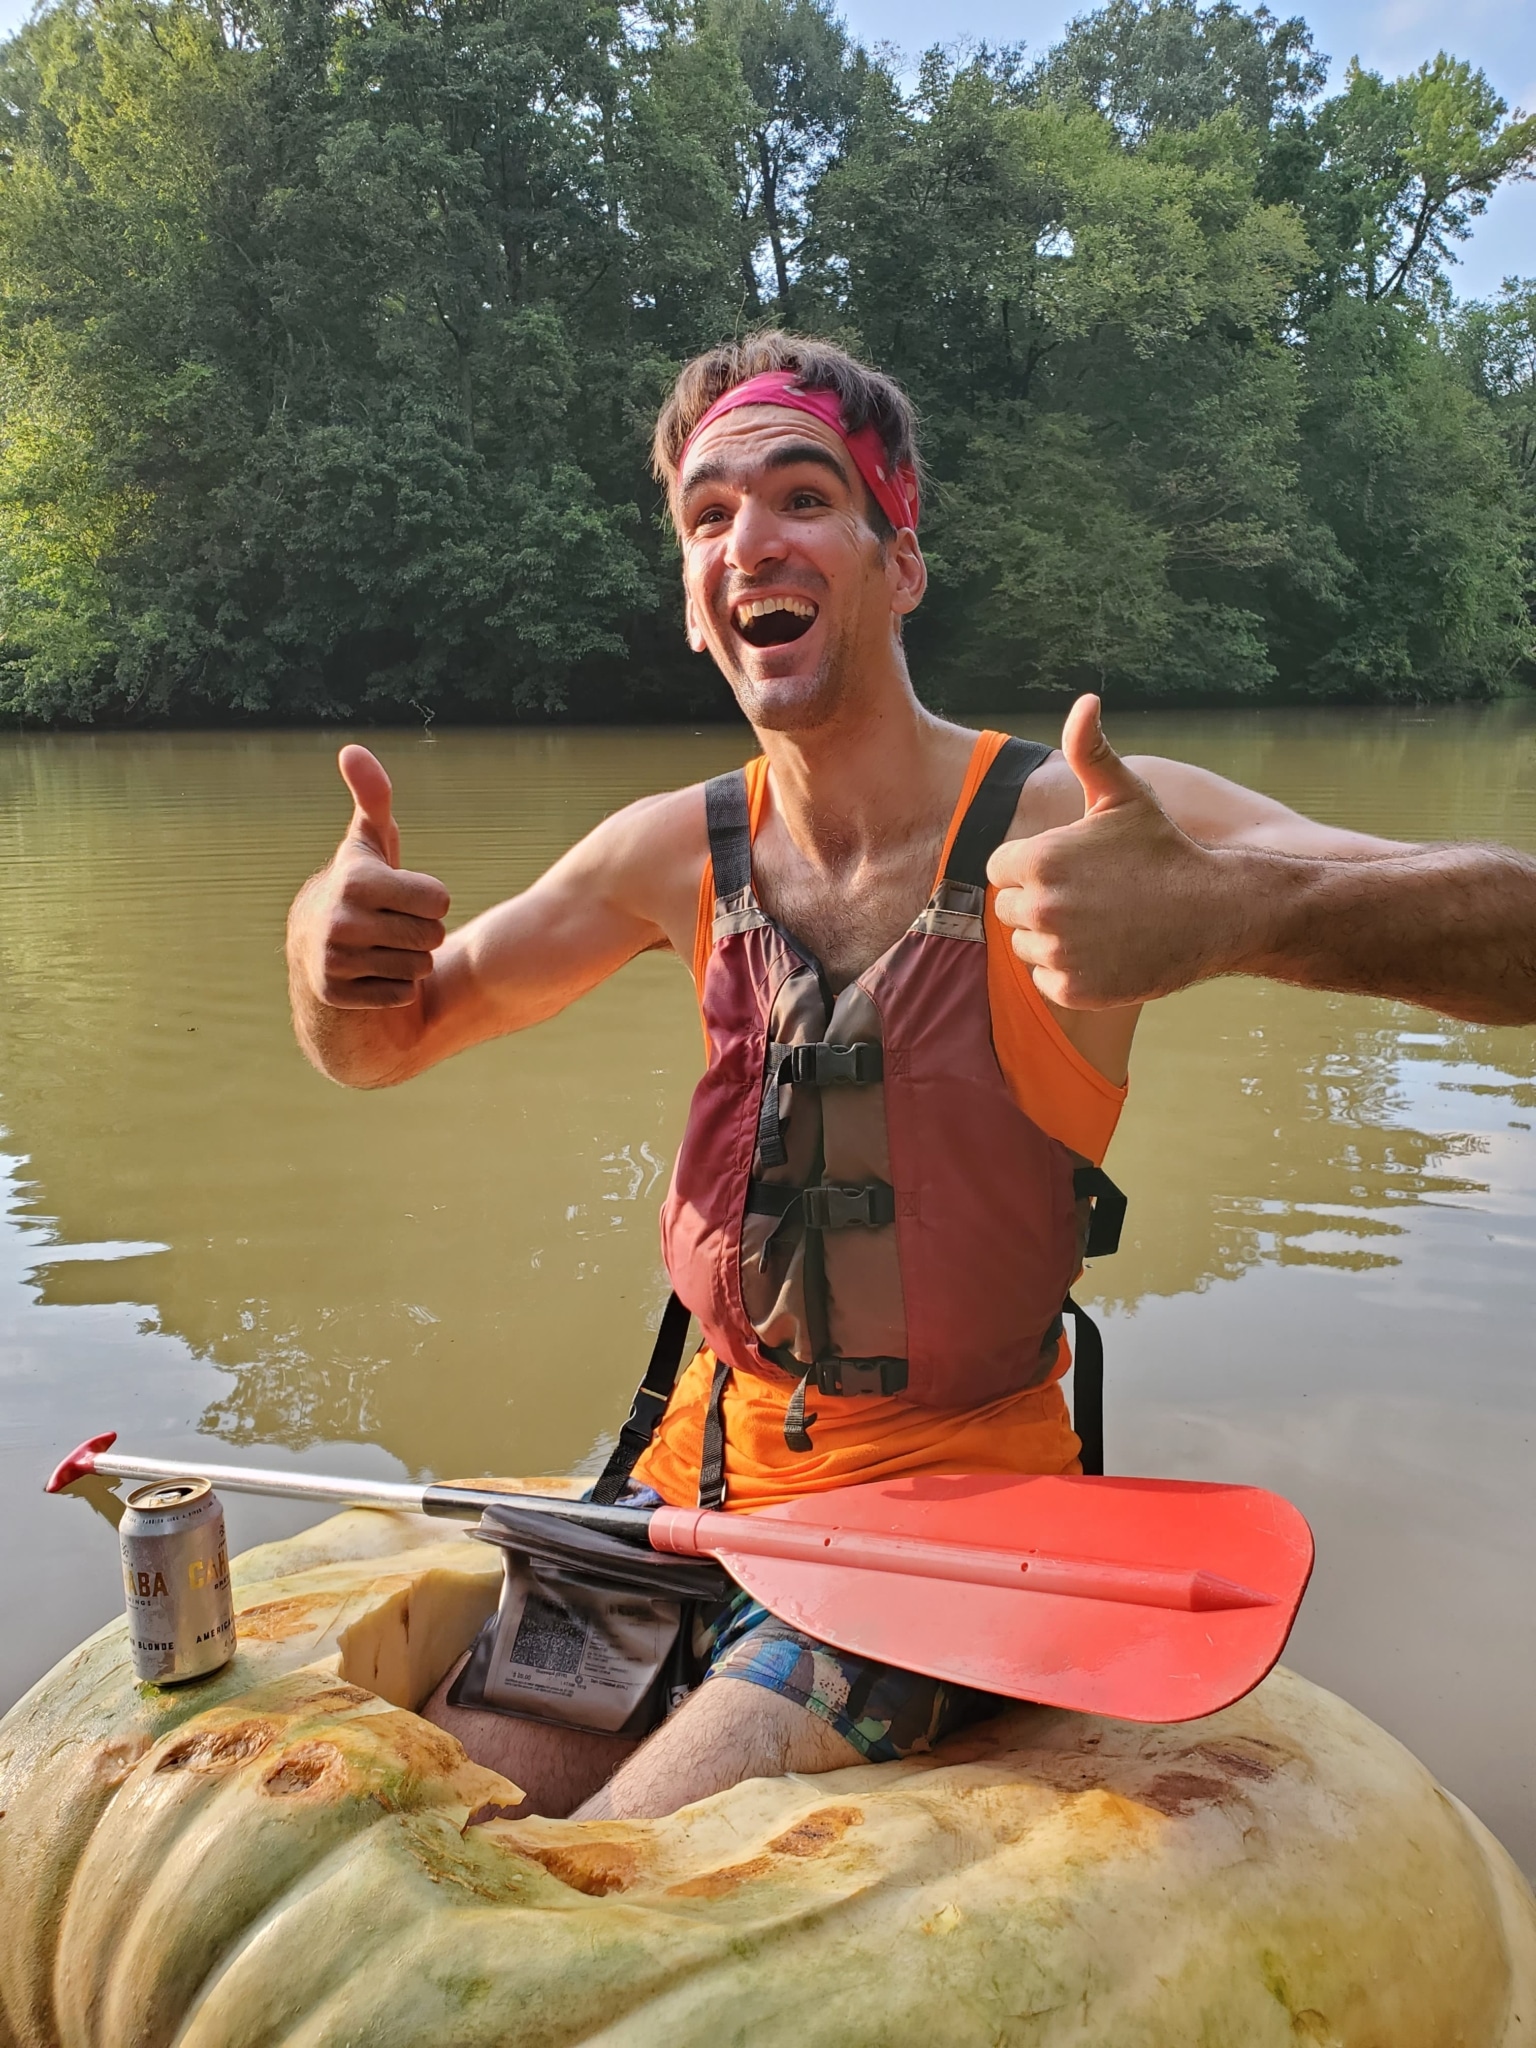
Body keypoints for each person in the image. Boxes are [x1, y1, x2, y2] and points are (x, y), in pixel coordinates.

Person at [286, 332, 1536, 1822]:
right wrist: (320, 946)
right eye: (707, 515)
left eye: (804, 497)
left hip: (941, 1529)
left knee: (583, 1880)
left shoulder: (1085, 818)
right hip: (688, 1483)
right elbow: (379, 1043)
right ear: (696, 606)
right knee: (412, 1841)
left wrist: (1242, 911)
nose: (750, 536)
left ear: (900, 562)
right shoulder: (665, 850)